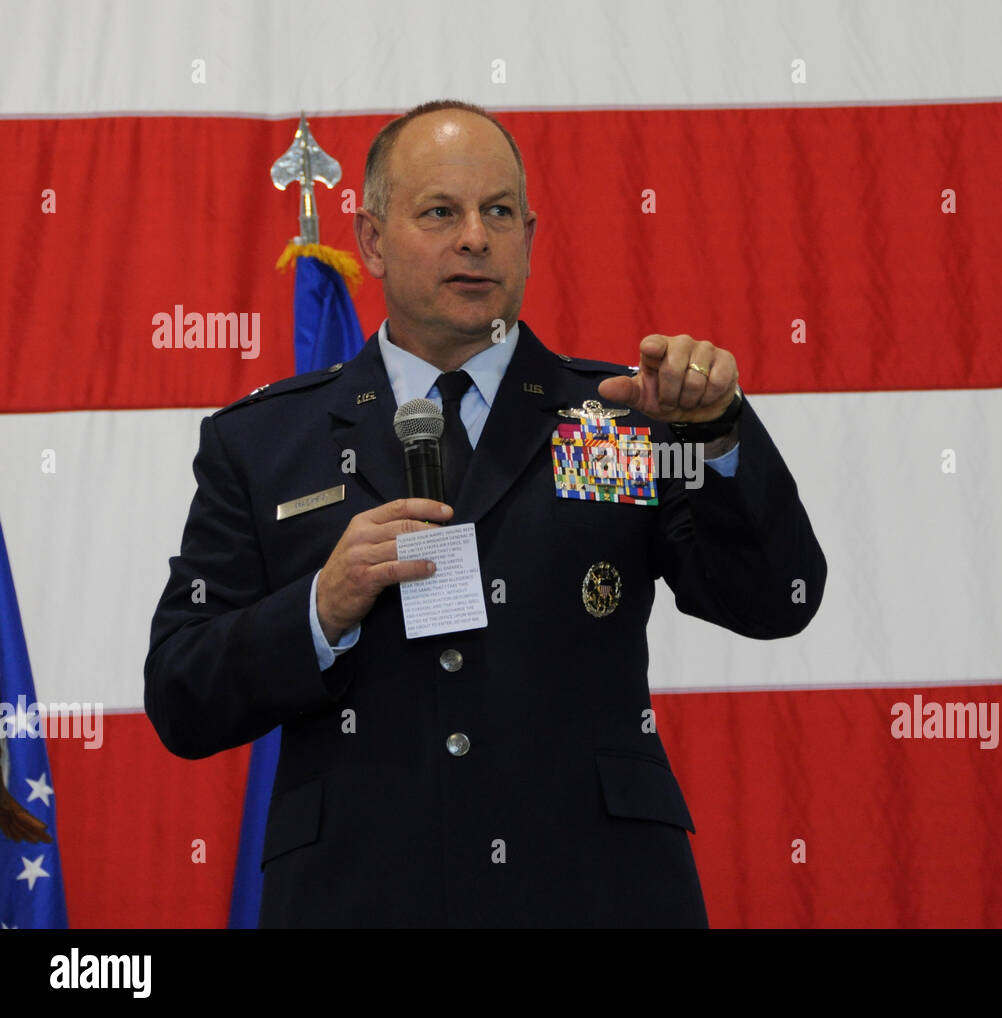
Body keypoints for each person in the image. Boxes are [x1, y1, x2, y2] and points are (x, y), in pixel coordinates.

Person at [145, 100, 826, 928]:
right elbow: (181, 696)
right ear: (369, 240)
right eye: (440, 212)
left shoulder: (619, 416)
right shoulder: (263, 442)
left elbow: (775, 601)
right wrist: (318, 609)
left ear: (530, 238)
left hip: (595, 893)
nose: (474, 237)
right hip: (359, 896)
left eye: (498, 212)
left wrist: (718, 433)